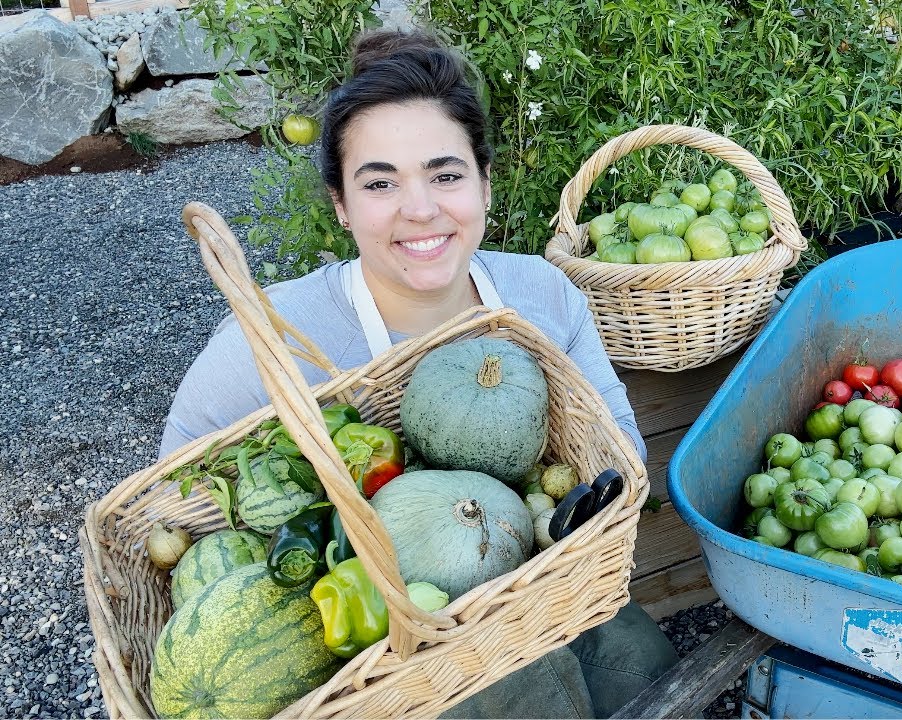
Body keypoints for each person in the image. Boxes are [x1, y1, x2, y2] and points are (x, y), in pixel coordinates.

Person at [159, 27, 677, 719]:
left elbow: (620, 452)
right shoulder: (272, 340)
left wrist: (552, 529)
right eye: (380, 183)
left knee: (638, 667)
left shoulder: (541, 296)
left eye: (445, 174)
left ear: (485, 183)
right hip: (378, 667)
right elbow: (169, 506)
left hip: (540, 592)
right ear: (341, 204)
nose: (421, 208)